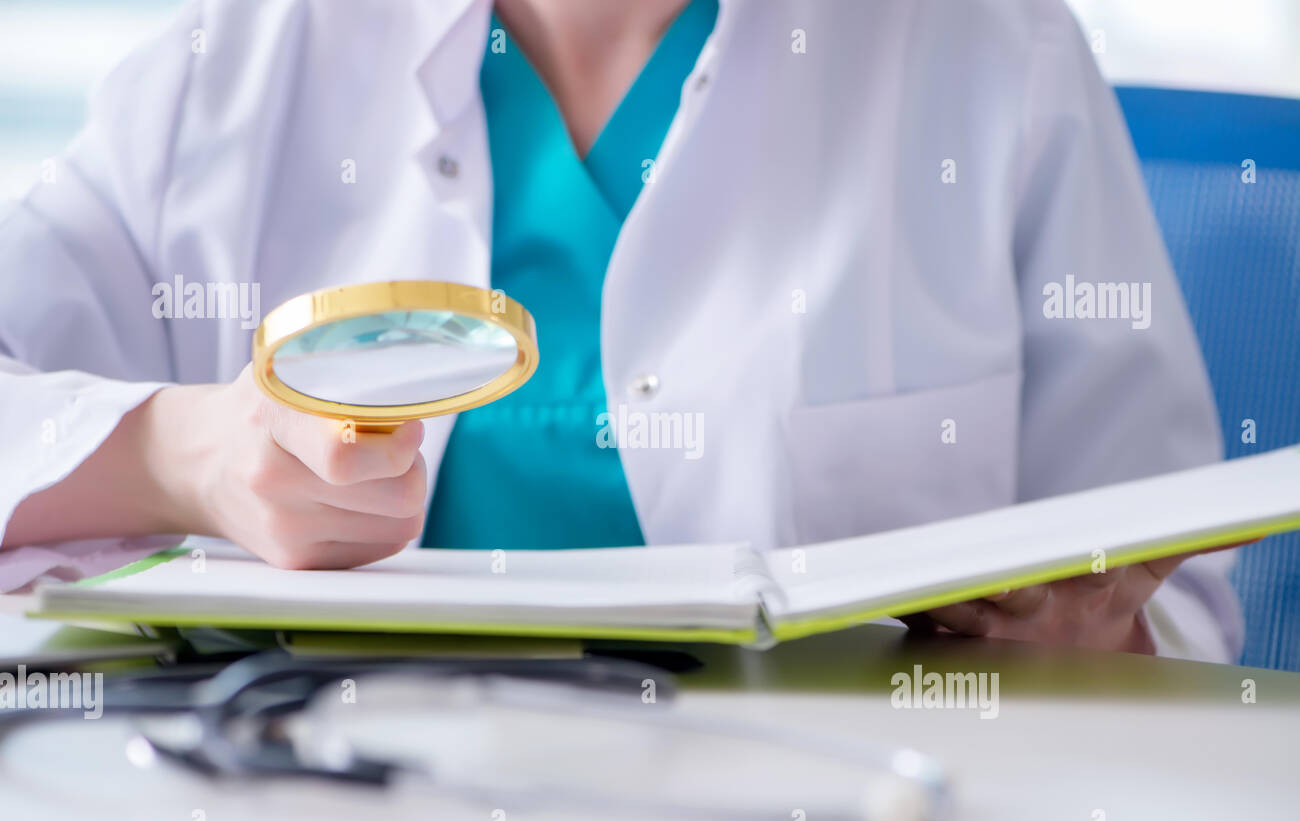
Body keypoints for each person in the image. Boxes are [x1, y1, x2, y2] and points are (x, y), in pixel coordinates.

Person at [0, 0, 1242, 660]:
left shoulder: (990, 52)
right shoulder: (234, 66)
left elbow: (1179, 591)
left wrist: (1100, 625)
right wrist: (179, 457)